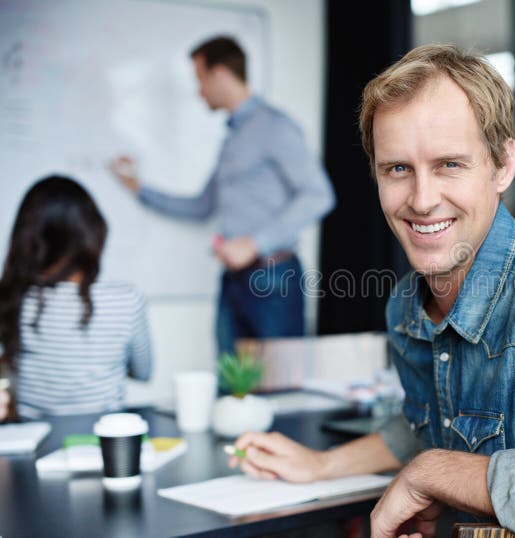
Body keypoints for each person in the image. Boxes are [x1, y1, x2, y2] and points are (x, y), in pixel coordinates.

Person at [228, 44, 515, 536]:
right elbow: (428, 425)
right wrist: (321, 466)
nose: (421, 199)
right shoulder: (406, 305)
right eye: (398, 169)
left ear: (502, 165)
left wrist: (434, 472)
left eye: (449, 165)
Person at [110, 36, 335, 355]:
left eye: (199, 79)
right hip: (234, 282)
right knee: (231, 389)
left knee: (280, 391)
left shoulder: (274, 127)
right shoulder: (233, 138)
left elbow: (319, 195)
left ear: (219, 73)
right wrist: (139, 189)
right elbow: (202, 206)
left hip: (273, 279)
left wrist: (254, 243)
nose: (198, 91)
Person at [0, 176, 152, 417]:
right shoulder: (126, 299)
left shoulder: (14, 297)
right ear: (92, 233)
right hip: (105, 438)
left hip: (35, 440)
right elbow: (143, 372)